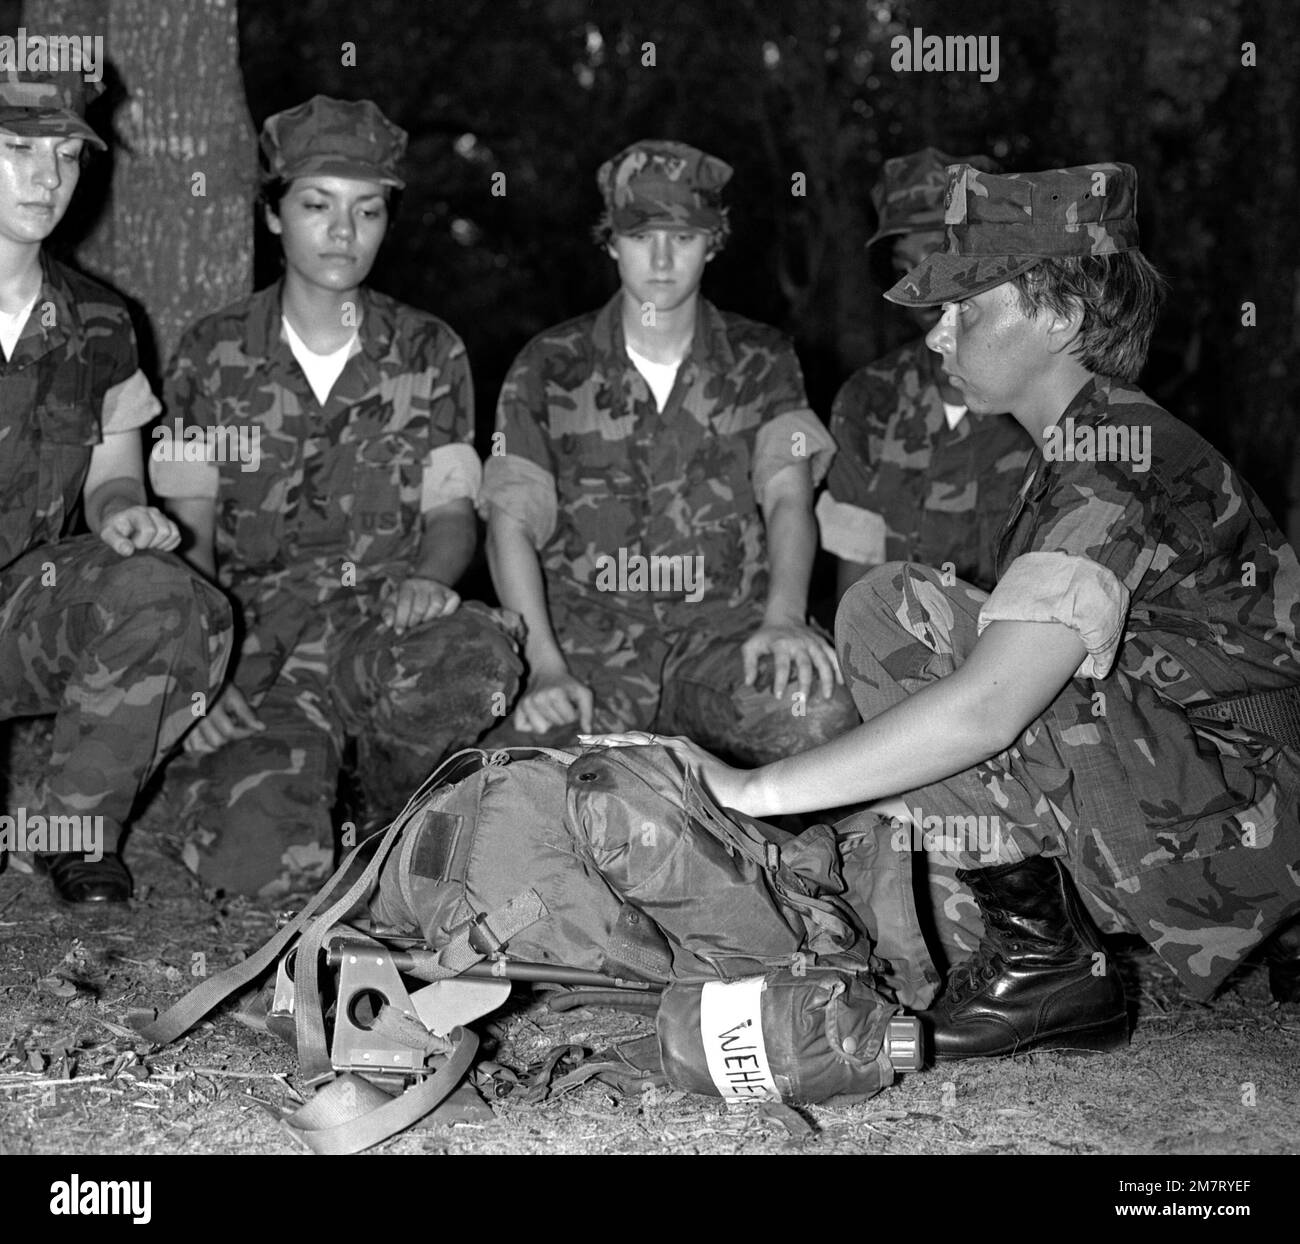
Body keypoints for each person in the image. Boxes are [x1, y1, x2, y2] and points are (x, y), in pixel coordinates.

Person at [591, 163, 1300, 1056]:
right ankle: (1034, 952)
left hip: (1251, 828)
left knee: (899, 610)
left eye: (967, 307)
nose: (938, 337)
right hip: (1227, 794)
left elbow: (988, 709)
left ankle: (1046, 968)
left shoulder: (1111, 464)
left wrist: (746, 790)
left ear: (1059, 318)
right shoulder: (1100, 437)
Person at [152, 96, 522, 898]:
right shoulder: (209, 353)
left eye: (368, 210)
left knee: (473, 662)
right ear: (273, 215)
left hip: (381, 622)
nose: (342, 232)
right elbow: (189, 536)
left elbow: (452, 511)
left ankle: (398, 807)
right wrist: (197, 680)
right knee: (263, 869)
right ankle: (270, 791)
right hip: (253, 638)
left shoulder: (430, 350)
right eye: (316, 205)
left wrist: (431, 577)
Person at [479, 139, 859, 765]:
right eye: (640, 235)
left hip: (725, 637)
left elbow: (788, 495)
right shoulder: (548, 366)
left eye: (682, 238)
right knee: (496, 785)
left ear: (712, 243)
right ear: (610, 242)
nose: (660, 258)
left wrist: (785, 616)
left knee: (822, 713)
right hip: (583, 647)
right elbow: (510, 522)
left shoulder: (762, 360)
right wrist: (544, 666)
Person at [0, 68, 233, 904]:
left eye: (65, 154)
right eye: (17, 148)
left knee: (169, 597)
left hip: (21, 603)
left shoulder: (99, 322)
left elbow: (111, 475)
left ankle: (69, 829)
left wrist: (126, 514)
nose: (47, 177)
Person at [818, 148, 1033, 597]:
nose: (921, 282)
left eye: (940, 254)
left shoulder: (1047, 392)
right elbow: (856, 588)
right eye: (904, 265)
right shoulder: (869, 399)